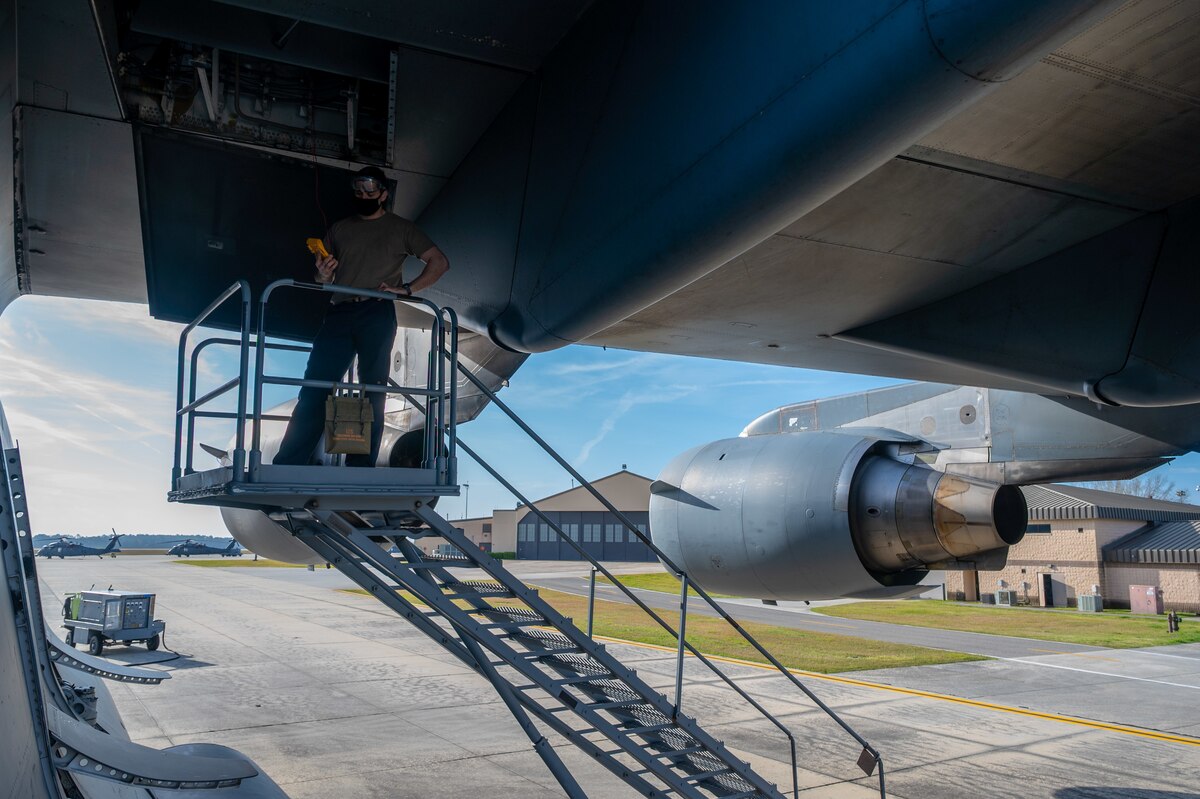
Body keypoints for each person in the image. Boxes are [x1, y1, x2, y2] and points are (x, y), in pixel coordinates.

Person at [273, 166, 449, 467]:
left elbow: (439, 262)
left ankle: (361, 466)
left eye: (370, 192)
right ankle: (289, 462)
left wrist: (407, 289)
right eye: (359, 192)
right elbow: (321, 277)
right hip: (339, 311)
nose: (364, 197)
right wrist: (322, 273)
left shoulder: (402, 229)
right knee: (315, 387)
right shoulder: (340, 229)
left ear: (383, 194)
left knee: (374, 391)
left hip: (376, 311)